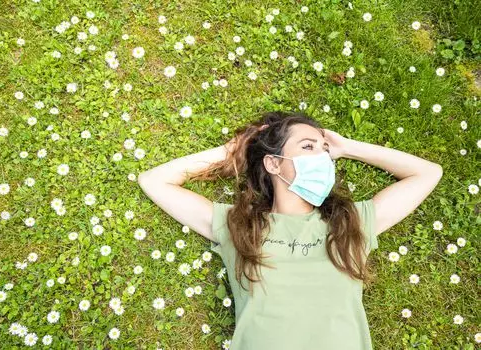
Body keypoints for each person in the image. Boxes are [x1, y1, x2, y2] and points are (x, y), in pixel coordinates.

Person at [137, 111, 443, 350]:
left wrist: (347, 148)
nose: (322, 157)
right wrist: (233, 150)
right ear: (273, 163)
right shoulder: (241, 227)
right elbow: (154, 181)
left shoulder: (349, 224)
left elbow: (428, 173)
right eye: (308, 147)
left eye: (325, 150)